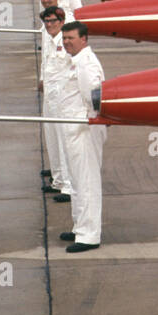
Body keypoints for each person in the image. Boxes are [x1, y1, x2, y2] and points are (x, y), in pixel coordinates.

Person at [54, 21, 106, 252]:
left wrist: (88, 126)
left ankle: (89, 235)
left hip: (83, 130)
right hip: (72, 129)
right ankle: (80, 228)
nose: (66, 42)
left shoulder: (86, 64)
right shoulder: (74, 61)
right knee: (76, 181)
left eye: (71, 38)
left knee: (86, 181)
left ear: (83, 39)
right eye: (64, 39)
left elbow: (93, 97)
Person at [37, 4, 74, 202]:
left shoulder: (66, 42)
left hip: (63, 100)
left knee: (64, 142)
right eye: (47, 21)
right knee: (52, 139)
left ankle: (68, 186)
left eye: (53, 21)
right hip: (50, 98)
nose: (49, 25)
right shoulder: (51, 41)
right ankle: (58, 180)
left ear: (61, 22)